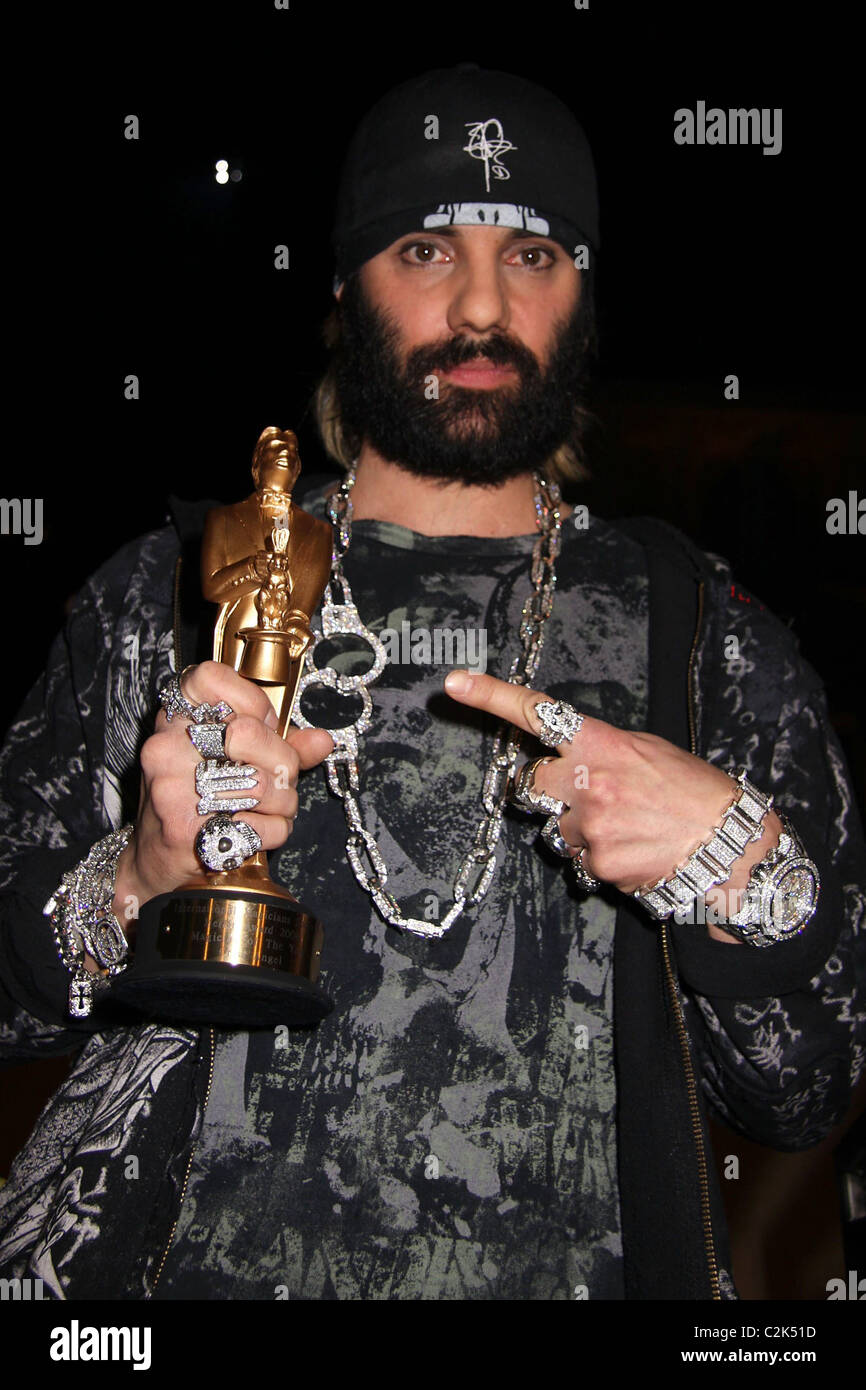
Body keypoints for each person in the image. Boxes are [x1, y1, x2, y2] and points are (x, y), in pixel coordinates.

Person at [0, 64, 864, 1302]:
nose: (477, 305)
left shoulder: (703, 639)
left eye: (532, 256)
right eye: (423, 249)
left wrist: (741, 886)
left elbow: (801, 1096)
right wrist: (131, 878)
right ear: (347, 290)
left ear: (582, 292)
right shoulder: (180, 587)